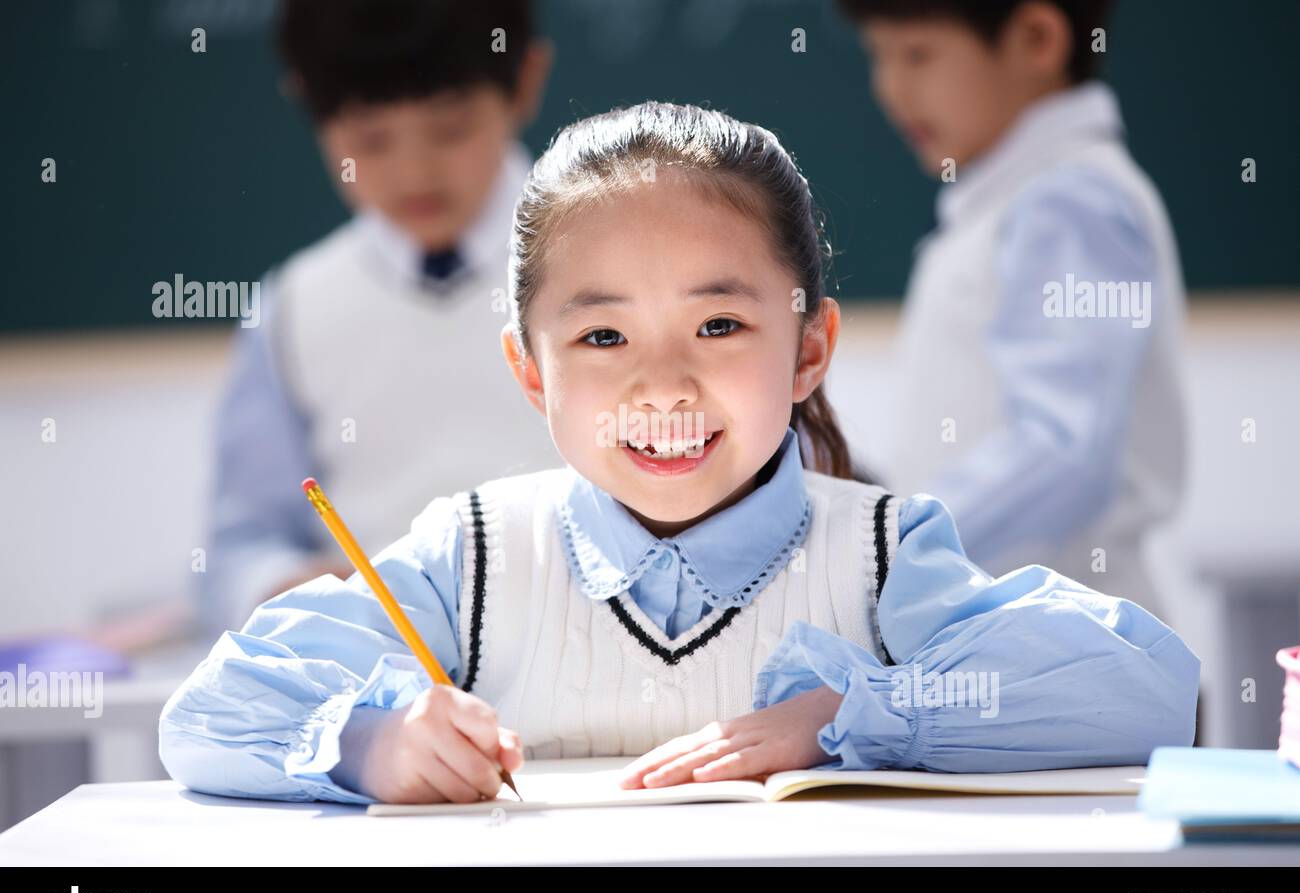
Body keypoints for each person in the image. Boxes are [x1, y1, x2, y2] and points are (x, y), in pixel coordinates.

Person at [160, 102, 1199, 806]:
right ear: (530, 371)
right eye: (602, 337)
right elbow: (210, 709)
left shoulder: (882, 552)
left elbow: (1145, 688)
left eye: (718, 327)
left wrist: (850, 715)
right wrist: (373, 744)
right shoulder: (469, 556)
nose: (662, 385)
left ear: (808, 350)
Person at [198, 0, 561, 634]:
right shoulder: (296, 305)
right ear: (308, 102)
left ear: (525, 81)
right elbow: (240, 544)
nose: (414, 170)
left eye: (451, 129)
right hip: (377, 676)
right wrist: (283, 585)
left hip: (586, 649)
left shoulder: (610, 262)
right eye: (371, 140)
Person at [837, 0, 1187, 617]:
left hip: (1084, 669)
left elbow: (1064, 448)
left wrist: (888, 546)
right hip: (1042, 657)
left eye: (917, 54)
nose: (892, 88)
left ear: (1036, 39)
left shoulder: (1070, 196)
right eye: (878, 56)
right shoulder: (1012, 199)